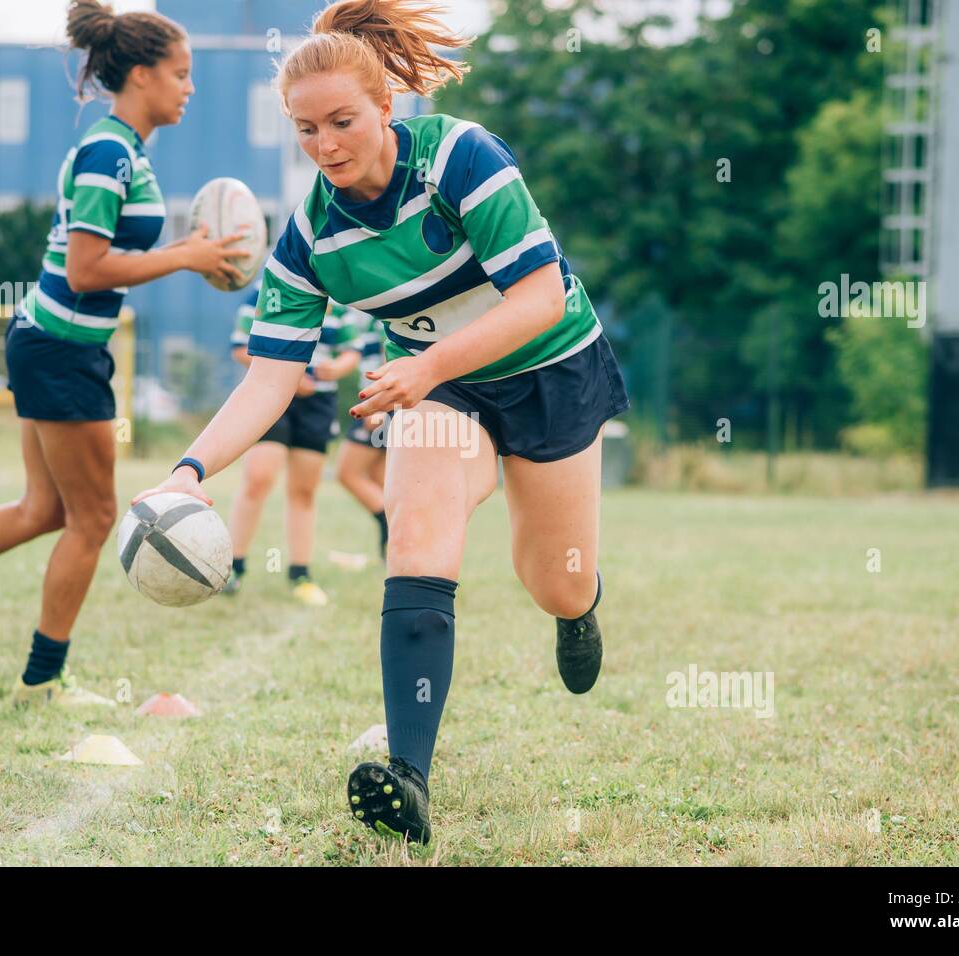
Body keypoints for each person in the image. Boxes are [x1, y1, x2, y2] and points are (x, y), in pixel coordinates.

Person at [132, 0, 629, 843]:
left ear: (386, 108)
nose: (326, 144)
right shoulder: (309, 239)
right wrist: (187, 472)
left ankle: (579, 608)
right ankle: (409, 776)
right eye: (305, 129)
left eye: (342, 121)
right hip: (440, 395)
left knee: (557, 578)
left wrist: (429, 361)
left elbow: (541, 297)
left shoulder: (463, 158)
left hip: (550, 369)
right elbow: (269, 381)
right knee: (418, 532)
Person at [0, 0, 247, 707]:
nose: (191, 89)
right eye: (181, 75)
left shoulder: (124, 149)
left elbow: (100, 260)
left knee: (43, 510)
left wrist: (191, 258)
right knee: (93, 519)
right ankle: (42, 681)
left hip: (52, 344)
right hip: (62, 350)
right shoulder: (108, 152)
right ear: (143, 73)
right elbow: (86, 270)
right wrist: (183, 257)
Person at [223, 285, 361, 605]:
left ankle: (300, 573)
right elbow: (240, 347)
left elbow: (351, 351)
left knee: (304, 490)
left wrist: (337, 368)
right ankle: (233, 568)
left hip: (318, 403)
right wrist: (291, 379)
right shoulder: (264, 291)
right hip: (269, 395)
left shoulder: (339, 302)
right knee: (258, 479)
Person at [335, 305, 390, 559]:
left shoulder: (384, 310)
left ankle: (389, 523)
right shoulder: (365, 312)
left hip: (380, 404)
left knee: (348, 473)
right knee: (381, 479)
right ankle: (395, 542)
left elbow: (391, 356)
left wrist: (380, 403)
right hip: (381, 402)